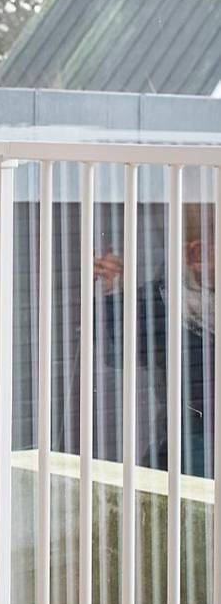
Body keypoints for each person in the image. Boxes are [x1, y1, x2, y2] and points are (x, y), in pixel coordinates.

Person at [94, 202, 216, 478]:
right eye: (198, 248)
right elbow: (120, 355)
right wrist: (114, 290)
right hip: (196, 440)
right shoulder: (159, 300)